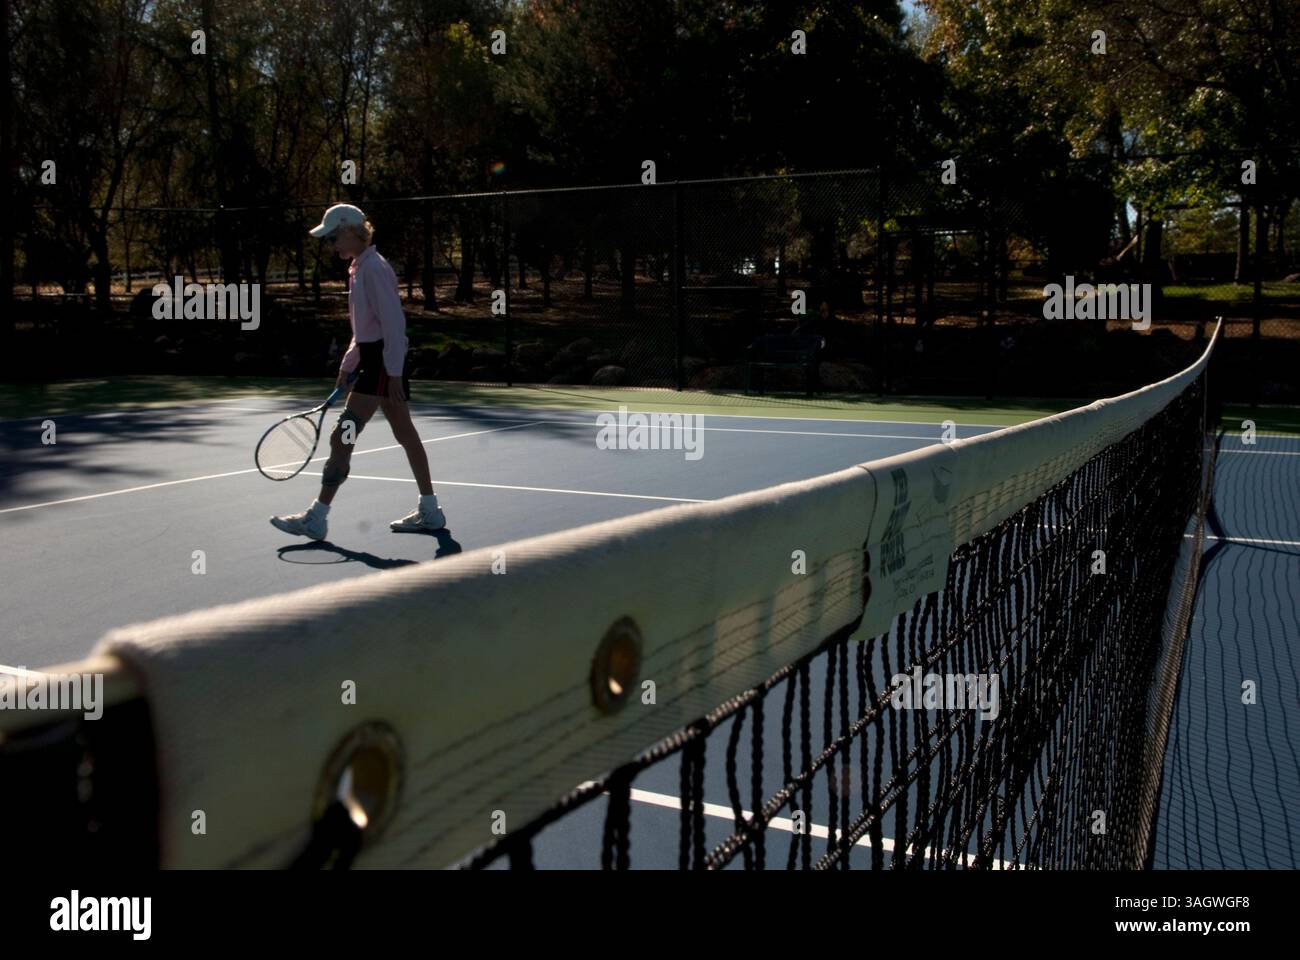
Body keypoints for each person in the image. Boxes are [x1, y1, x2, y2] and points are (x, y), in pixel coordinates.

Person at [270, 203, 445, 541]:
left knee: (343, 435)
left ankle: (317, 517)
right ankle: (431, 510)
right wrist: (349, 363)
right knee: (404, 433)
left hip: (381, 362)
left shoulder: (373, 269)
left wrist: (391, 372)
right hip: (376, 360)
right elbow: (364, 328)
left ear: (353, 231)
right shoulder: (359, 268)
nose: (331, 243)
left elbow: (394, 324)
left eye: (334, 236)